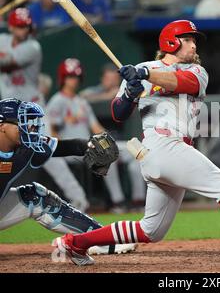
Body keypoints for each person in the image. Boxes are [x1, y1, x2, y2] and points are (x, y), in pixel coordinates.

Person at [53, 19, 220, 266]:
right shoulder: (140, 72)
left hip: (172, 150)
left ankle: (76, 243)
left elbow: (180, 82)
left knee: (151, 230)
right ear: (171, 42)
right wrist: (130, 95)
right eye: (188, 39)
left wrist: (144, 74)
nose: (194, 45)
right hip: (159, 146)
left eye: (193, 40)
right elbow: (117, 114)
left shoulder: (196, 72)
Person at [0, 98, 136, 255]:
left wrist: (89, 145)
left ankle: (102, 240)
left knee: (35, 196)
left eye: (29, 122)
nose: (29, 127)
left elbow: (64, 147)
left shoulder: (26, 146)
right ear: (2, 125)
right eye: (21, 122)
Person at [0, 8, 90, 211]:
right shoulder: (3, 40)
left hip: (31, 112)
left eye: (26, 27)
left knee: (47, 153)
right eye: (19, 26)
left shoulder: (33, 47)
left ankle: (79, 199)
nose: (23, 31)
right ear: (12, 26)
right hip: (9, 116)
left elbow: (6, 63)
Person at [47, 58, 146, 212]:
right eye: (69, 77)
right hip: (71, 149)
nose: (73, 81)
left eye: (75, 77)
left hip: (89, 145)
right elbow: (52, 132)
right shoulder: (57, 101)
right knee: (105, 154)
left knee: (136, 151)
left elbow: (96, 128)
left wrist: (110, 140)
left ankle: (138, 201)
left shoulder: (81, 102)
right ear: (63, 79)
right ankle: (117, 201)